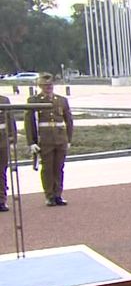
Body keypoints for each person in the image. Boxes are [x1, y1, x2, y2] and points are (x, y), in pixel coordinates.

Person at [25, 72, 73, 206]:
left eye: (50, 85)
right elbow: (29, 122)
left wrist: (68, 139)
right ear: (40, 86)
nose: (48, 88)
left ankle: (58, 194)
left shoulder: (61, 100)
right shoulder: (34, 100)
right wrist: (31, 142)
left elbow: (68, 121)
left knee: (59, 167)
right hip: (45, 140)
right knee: (47, 168)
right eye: (45, 85)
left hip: (60, 138)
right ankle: (49, 195)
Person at [0, 93, 13, 212]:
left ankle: (1, 200)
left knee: (1, 171)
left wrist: (12, 138)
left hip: (2, 140)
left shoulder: (3, 100)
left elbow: (10, 119)